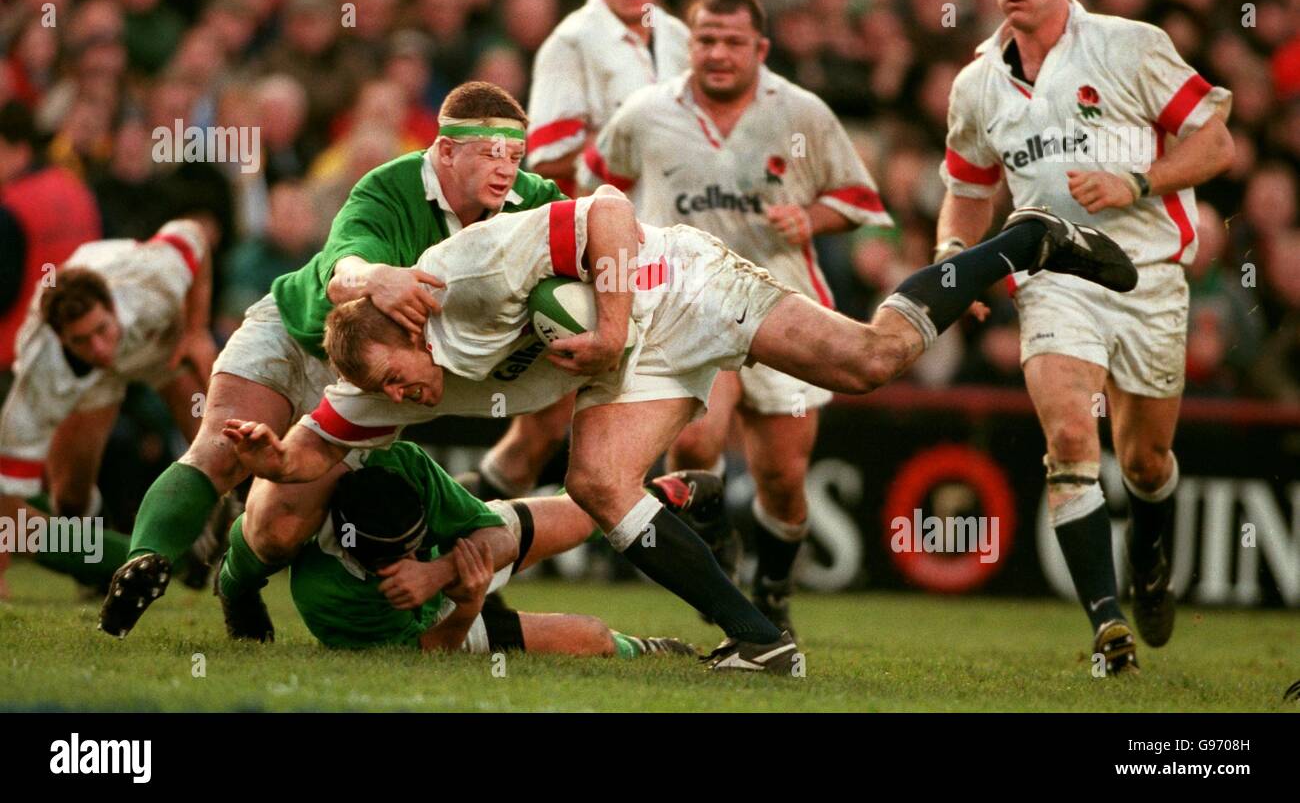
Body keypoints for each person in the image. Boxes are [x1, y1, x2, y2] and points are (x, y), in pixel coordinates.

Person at [223, 190, 1138, 673]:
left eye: (397, 376)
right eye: (386, 391)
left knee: (868, 362)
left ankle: (1025, 240)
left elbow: (610, 210)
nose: (404, 398)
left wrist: (614, 327)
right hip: (628, 354)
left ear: (410, 329)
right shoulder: (383, 382)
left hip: (675, 282)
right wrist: (267, 462)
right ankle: (758, 639)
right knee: (598, 483)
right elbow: (314, 452)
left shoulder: (457, 270)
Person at [98, 82, 572, 639]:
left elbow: (593, 233)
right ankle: (144, 562)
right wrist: (378, 278)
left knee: (280, 528)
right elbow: (342, 269)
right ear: (445, 150)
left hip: (363, 381)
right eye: (491, 154)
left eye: (514, 156)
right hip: (294, 332)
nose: (505, 170)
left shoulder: (533, 199)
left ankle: (235, 580)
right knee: (223, 449)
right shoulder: (389, 188)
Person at [933, 0, 1234, 674]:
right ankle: (1108, 628)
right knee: (1070, 440)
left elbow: (1216, 142)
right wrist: (952, 260)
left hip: (1148, 275)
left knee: (1144, 458)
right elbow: (967, 191)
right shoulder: (975, 85)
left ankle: (1151, 546)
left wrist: (1135, 181)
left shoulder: (1129, 45)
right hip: (1053, 278)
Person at [581, 0, 893, 637]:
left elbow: (860, 200)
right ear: (687, 44)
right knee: (694, 441)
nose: (717, 54)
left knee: (782, 477)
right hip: (686, 305)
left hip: (783, 309)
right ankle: (717, 557)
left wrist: (809, 217)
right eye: (705, 40)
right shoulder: (645, 113)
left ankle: (774, 584)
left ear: (761, 50)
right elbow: (596, 183)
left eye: (732, 42)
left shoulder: (801, 114)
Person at [458, 0, 693, 512]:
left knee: (688, 412)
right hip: (600, 253)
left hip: (671, 251)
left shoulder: (681, 38)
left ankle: (694, 534)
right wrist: (618, 163)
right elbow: (550, 160)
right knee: (543, 425)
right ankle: (466, 528)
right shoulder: (571, 43)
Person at [279, 439, 699, 660]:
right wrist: (467, 601)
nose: (410, 561)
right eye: (394, 557)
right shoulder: (326, 595)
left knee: (584, 515)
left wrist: (438, 571)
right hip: (441, 621)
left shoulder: (403, 462)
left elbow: (496, 534)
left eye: (413, 547)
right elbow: (433, 652)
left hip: (457, 558)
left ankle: (662, 493)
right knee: (592, 636)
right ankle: (650, 647)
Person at [0, 218, 215, 597]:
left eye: (102, 329)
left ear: (112, 306)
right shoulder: (38, 373)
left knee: (219, 449)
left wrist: (196, 329)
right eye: (82, 340)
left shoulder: (152, 278)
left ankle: (220, 547)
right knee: (69, 499)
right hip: (94, 384)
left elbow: (194, 233)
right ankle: (111, 571)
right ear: (60, 338)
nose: (99, 348)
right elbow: (7, 509)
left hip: (160, 342)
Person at [0, 100, 101, 373]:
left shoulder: (11, 206)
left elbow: (4, 291)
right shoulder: (78, 190)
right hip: (78, 352)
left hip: (16, 358)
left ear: (19, 151)